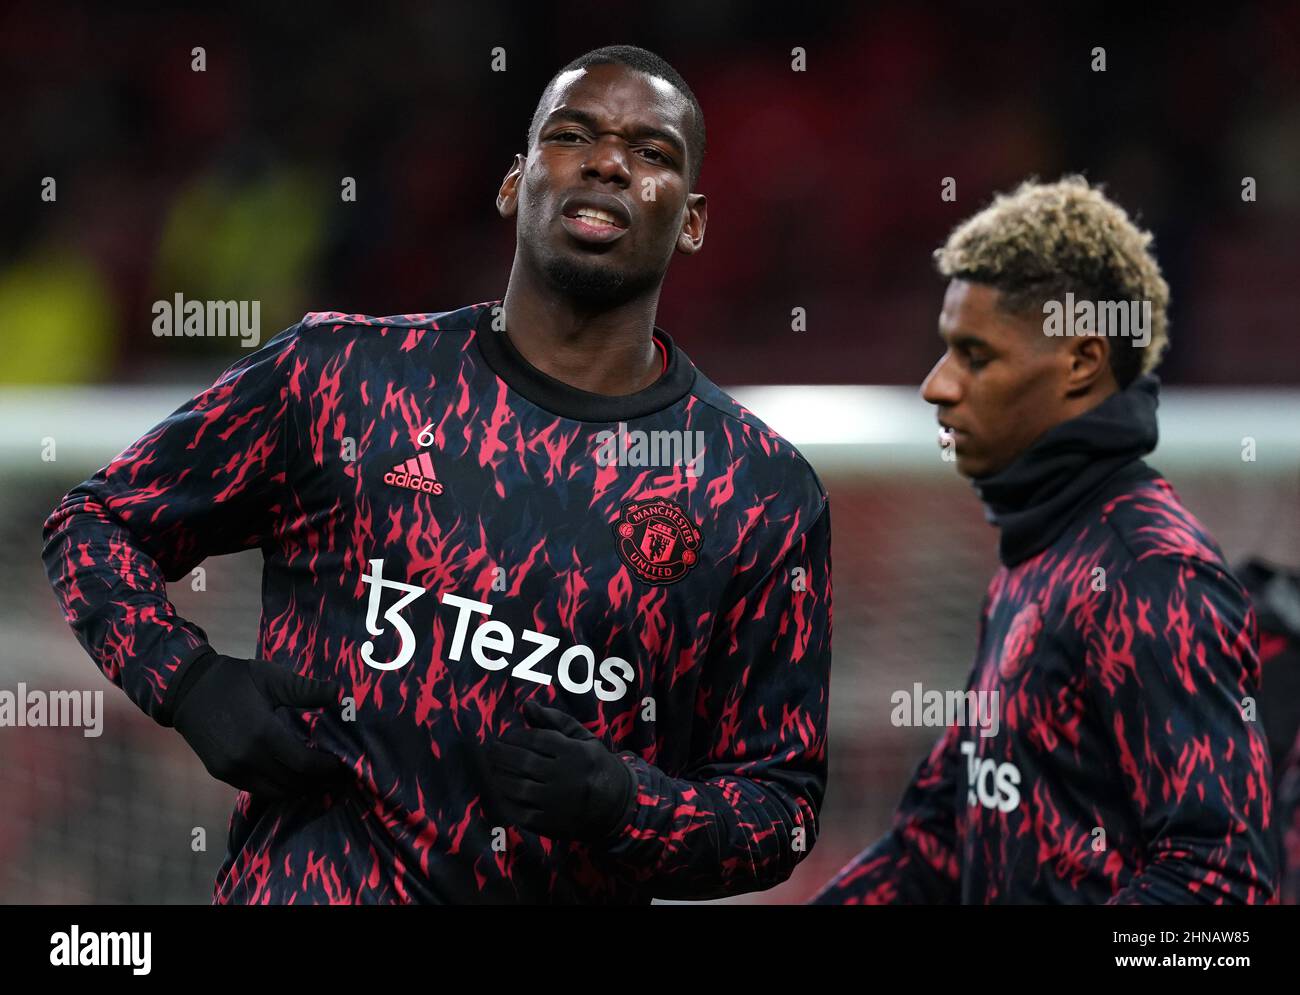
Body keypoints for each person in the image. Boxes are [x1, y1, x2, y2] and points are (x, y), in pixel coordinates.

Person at [42, 45, 831, 904]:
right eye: (574, 135)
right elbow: (91, 524)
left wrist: (622, 803)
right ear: (512, 182)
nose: (608, 161)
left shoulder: (755, 489)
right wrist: (188, 682)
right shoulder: (340, 375)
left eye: (651, 153)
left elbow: (779, 808)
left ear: (693, 219)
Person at [812, 176, 1274, 904]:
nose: (937, 385)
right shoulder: (1044, 550)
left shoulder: (1149, 571)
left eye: (976, 355)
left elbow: (1221, 886)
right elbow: (937, 838)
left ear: (1081, 362)